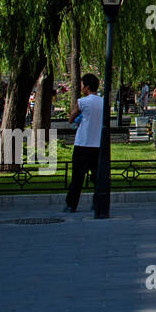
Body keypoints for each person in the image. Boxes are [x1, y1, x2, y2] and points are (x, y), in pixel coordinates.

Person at [64, 73, 104, 213]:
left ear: (86, 87)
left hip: (83, 142)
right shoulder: (103, 102)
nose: (81, 87)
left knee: (78, 177)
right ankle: (98, 202)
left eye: (82, 85)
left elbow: (71, 118)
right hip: (98, 144)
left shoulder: (82, 102)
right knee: (97, 176)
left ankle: (71, 204)